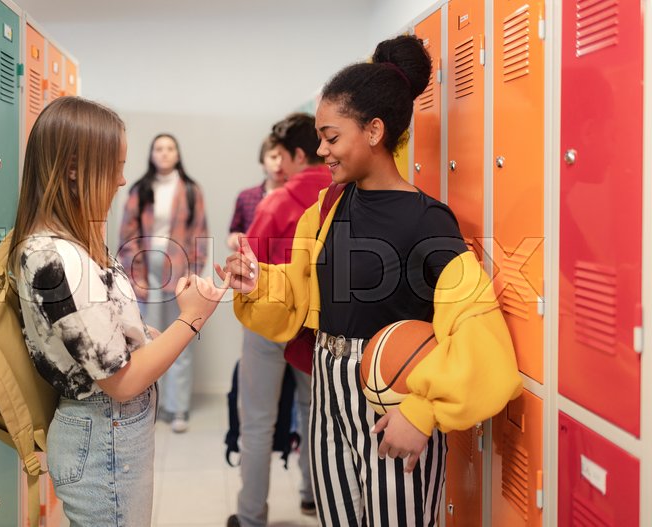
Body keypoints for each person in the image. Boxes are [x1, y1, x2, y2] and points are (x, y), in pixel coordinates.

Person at [219, 36, 522, 526]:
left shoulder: (427, 220)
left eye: (331, 137)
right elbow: (301, 291)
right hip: (327, 391)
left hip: (394, 399)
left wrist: (422, 412)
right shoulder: (327, 206)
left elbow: (478, 331)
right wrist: (256, 281)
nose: (321, 151)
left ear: (375, 131)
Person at [10, 97, 228, 526]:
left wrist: (154, 330)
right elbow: (122, 382)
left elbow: (108, 334)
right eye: (115, 165)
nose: (122, 179)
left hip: (110, 435)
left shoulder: (74, 245)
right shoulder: (56, 258)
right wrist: (192, 317)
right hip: (103, 439)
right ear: (74, 168)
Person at [227, 114, 332, 527]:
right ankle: (312, 498)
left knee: (257, 421)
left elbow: (247, 264)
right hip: (318, 325)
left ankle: (251, 515)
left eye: (283, 157)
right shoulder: (344, 196)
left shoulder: (277, 202)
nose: (279, 166)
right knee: (314, 415)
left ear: (298, 155)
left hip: (268, 324)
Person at [118, 134, 209, 433]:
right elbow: (128, 235)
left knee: (181, 337)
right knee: (147, 340)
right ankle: (150, 406)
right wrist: (137, 276)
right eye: (159, 148)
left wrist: (193, 273)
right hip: (147, 268)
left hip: (180, 268)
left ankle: (178, 407)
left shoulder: (192, 191)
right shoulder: (140, 189)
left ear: (177, 154)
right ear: (152, 154)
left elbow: (200, 235)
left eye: (170, 148)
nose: (165, 153)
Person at [226, 136, 284, 251]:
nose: (279, 163)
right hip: (252, 257)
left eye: (283, 157)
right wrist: (236, 239)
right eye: (273, 157)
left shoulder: (295, 196)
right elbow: (234, 232)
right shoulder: (246, 197)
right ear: (263, 161)